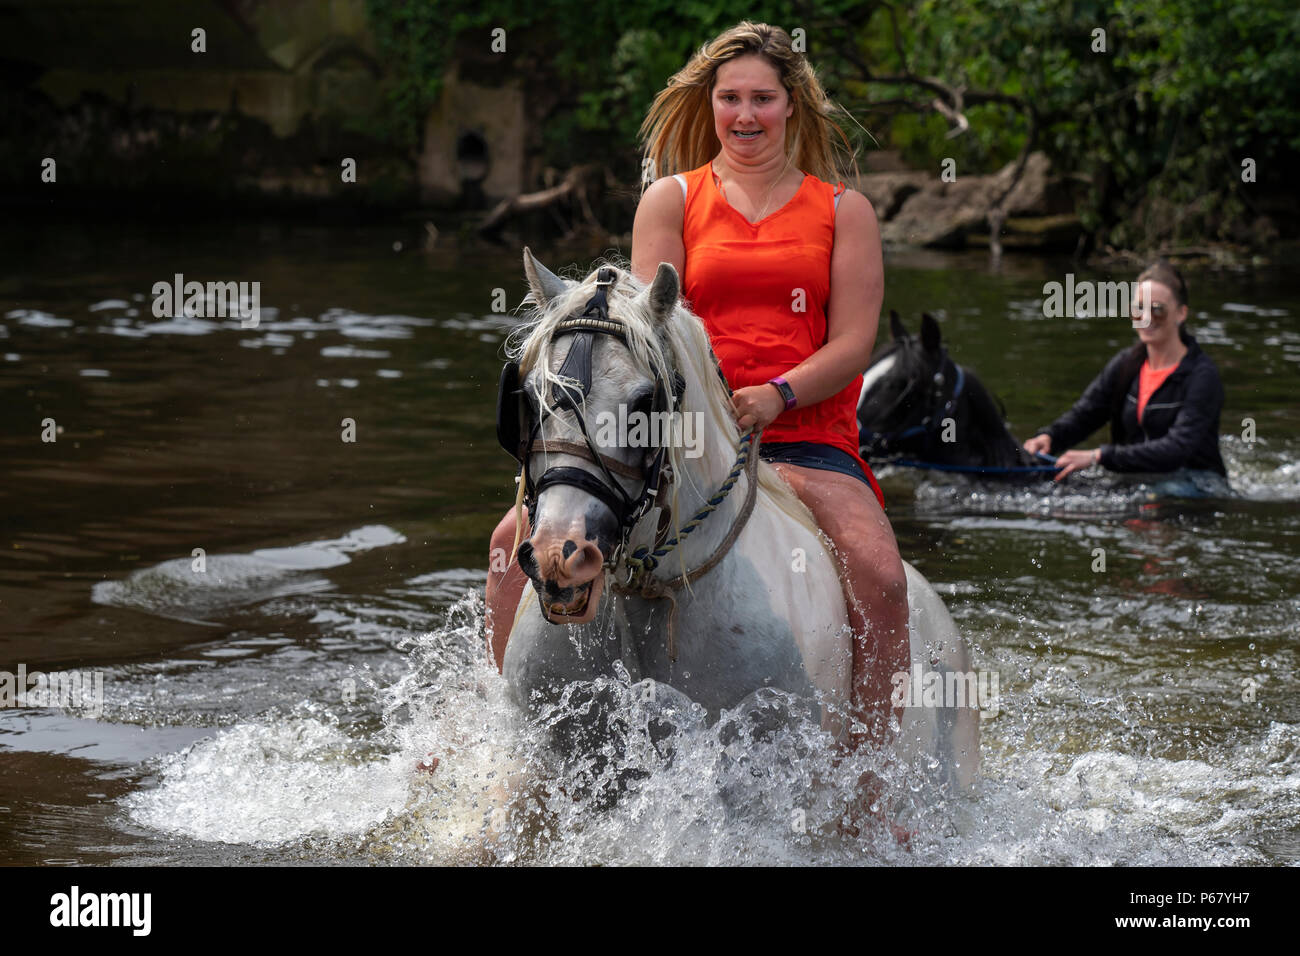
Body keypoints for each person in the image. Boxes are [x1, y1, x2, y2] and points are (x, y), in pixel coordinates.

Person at [484, 21, 909, 748]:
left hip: (804, 434)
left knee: (882, 578)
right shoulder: (671, 201)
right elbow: (646, 335)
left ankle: (872, 775)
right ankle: (505, 739)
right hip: (681, 432)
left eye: (763, 99)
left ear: (793, 106)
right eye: (731, 98)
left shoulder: (844, 211)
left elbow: (853, 343)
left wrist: (779, 393)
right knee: (506, 547)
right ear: (710, 105)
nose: (745, 116)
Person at [1024, 261, 1227, 480]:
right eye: (1138, 309)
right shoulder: (1126, 364)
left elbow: (1177, 448)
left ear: (1181, 314)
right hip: (1137, 478)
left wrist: (1098, 456)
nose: (1146, 318)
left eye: (1157, 310)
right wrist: (1050, 437)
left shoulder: (1202, 376)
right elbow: (1086, 414)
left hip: (1194, 483)